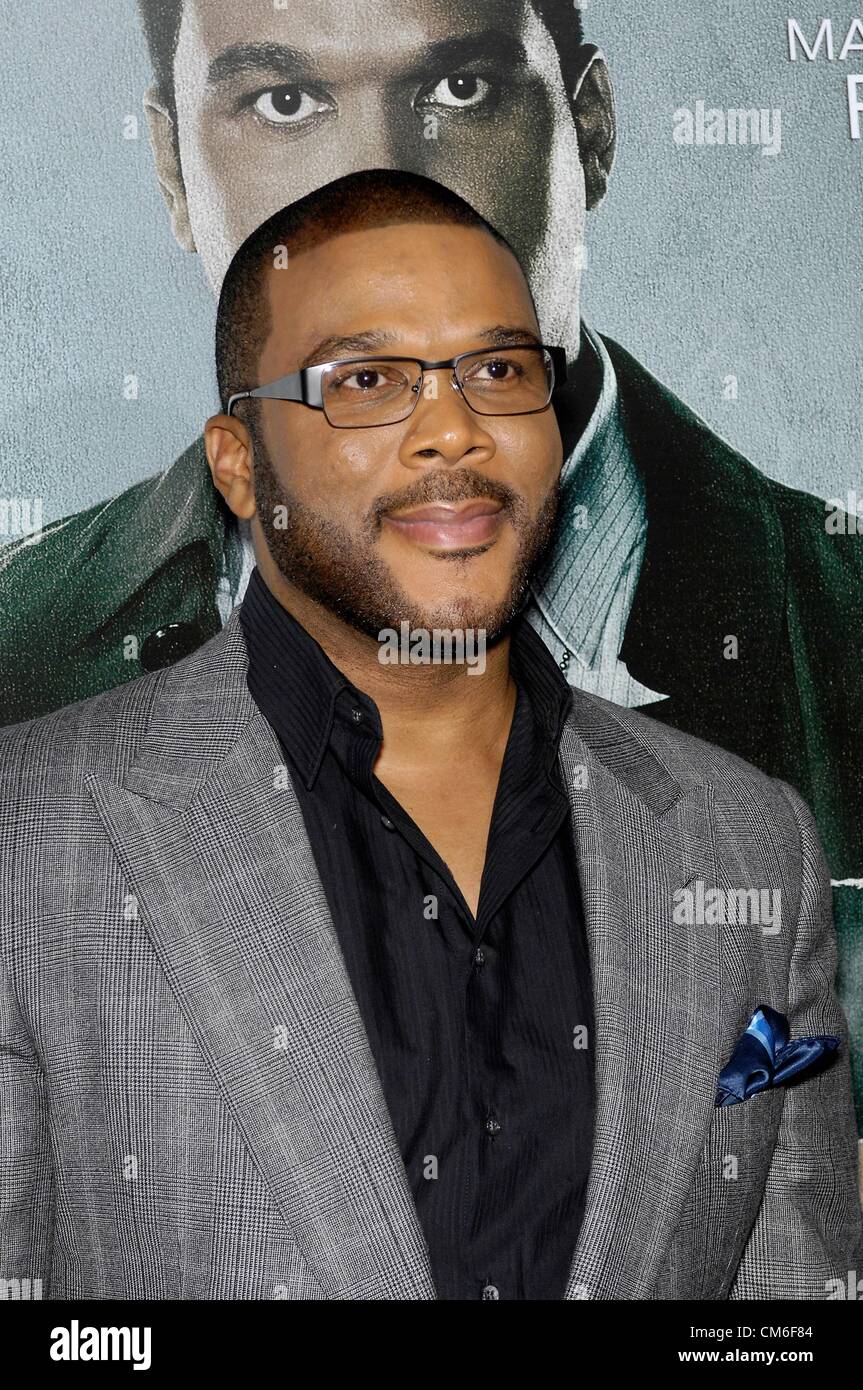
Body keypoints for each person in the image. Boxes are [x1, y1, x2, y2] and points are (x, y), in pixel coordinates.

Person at [1, 6, 861, 1149]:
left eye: (458, 91)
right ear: (172, 166)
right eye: (285, 103)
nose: (380, 182)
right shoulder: (19, 668)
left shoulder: (834, 635)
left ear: (590, 127)